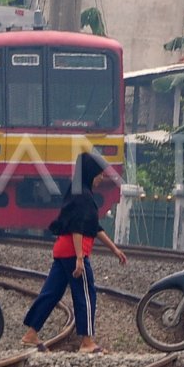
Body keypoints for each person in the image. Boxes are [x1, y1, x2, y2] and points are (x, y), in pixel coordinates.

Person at [21, 152, 128, 354]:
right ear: (90, 173)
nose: (102, 178)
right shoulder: (84, 197)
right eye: (99, 174)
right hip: (73, 253)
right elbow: (77, 228)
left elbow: (93, 227)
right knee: (86, 294)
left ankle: (31, 334)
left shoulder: (77, 192)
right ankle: (87, 342)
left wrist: (114, 249)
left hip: (62, 251)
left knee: (51, 293)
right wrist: (80, 258)